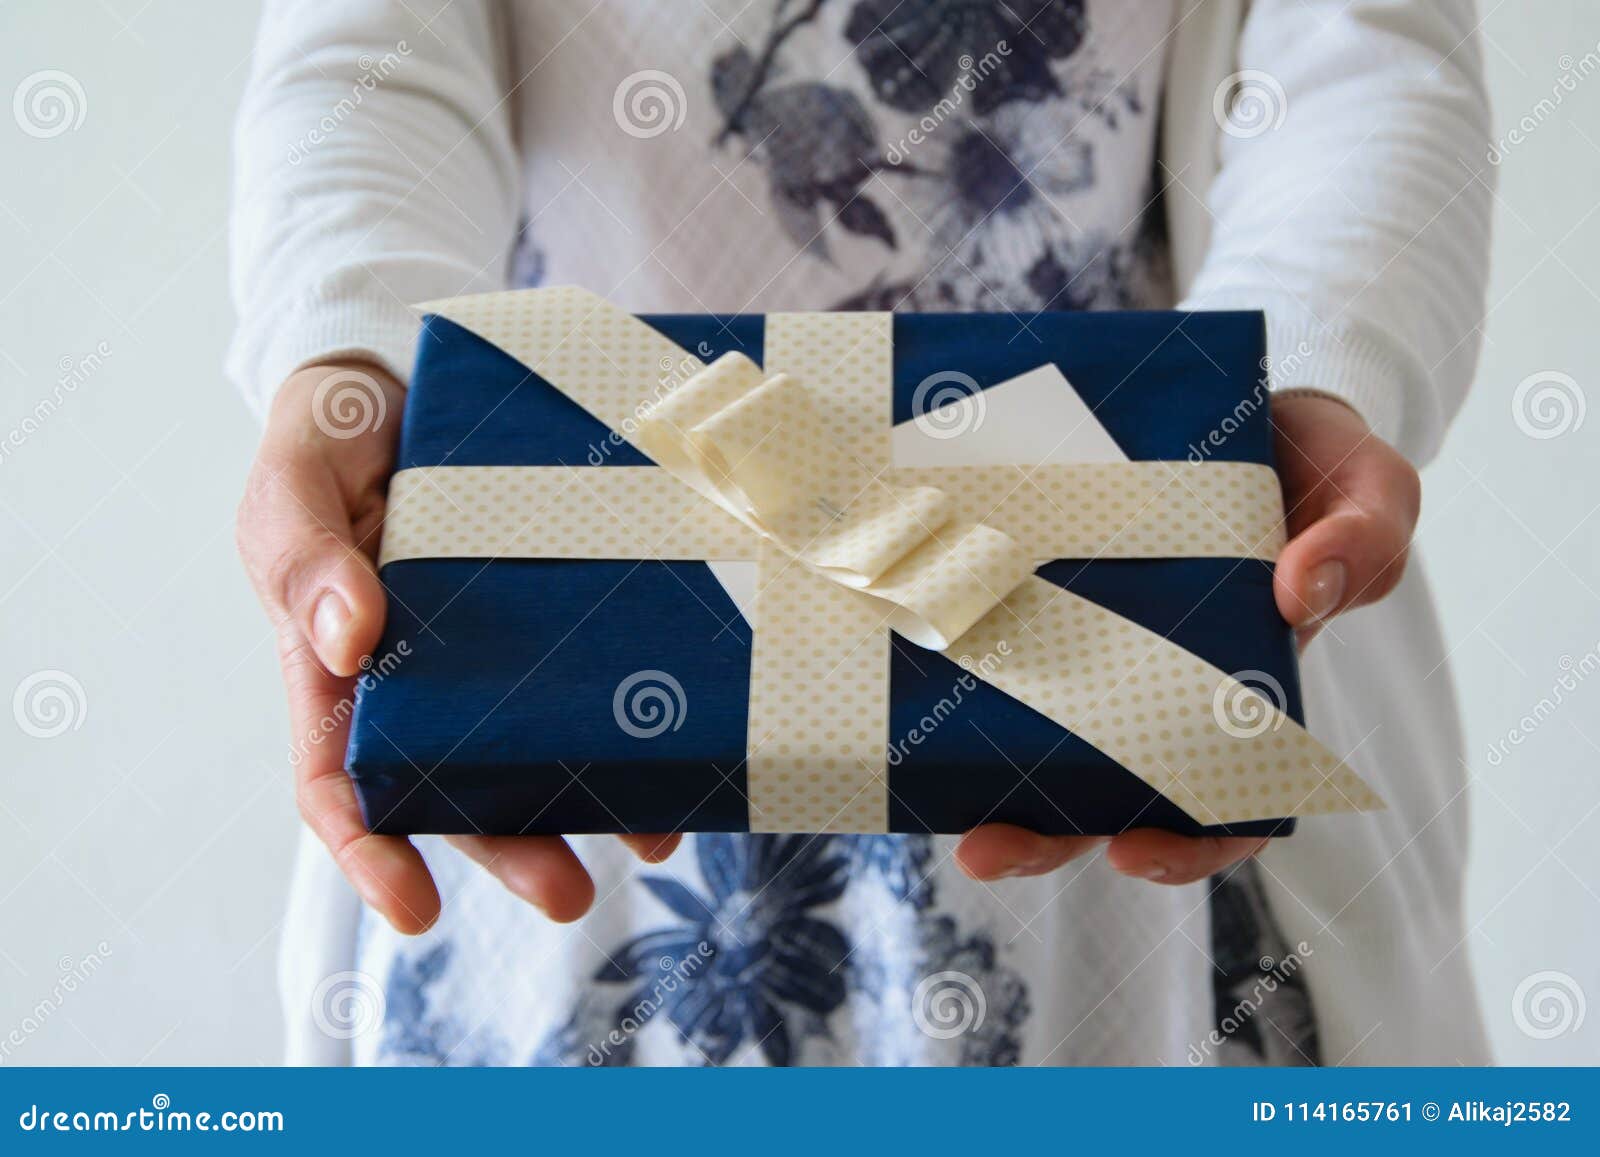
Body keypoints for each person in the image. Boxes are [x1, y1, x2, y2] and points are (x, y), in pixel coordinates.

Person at [229, 0, 1493, 1065]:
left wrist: (1317, 374)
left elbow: (1358, 55)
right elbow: (370, 60)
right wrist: (352, 369)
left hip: (1122, 618)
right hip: (556, 659)